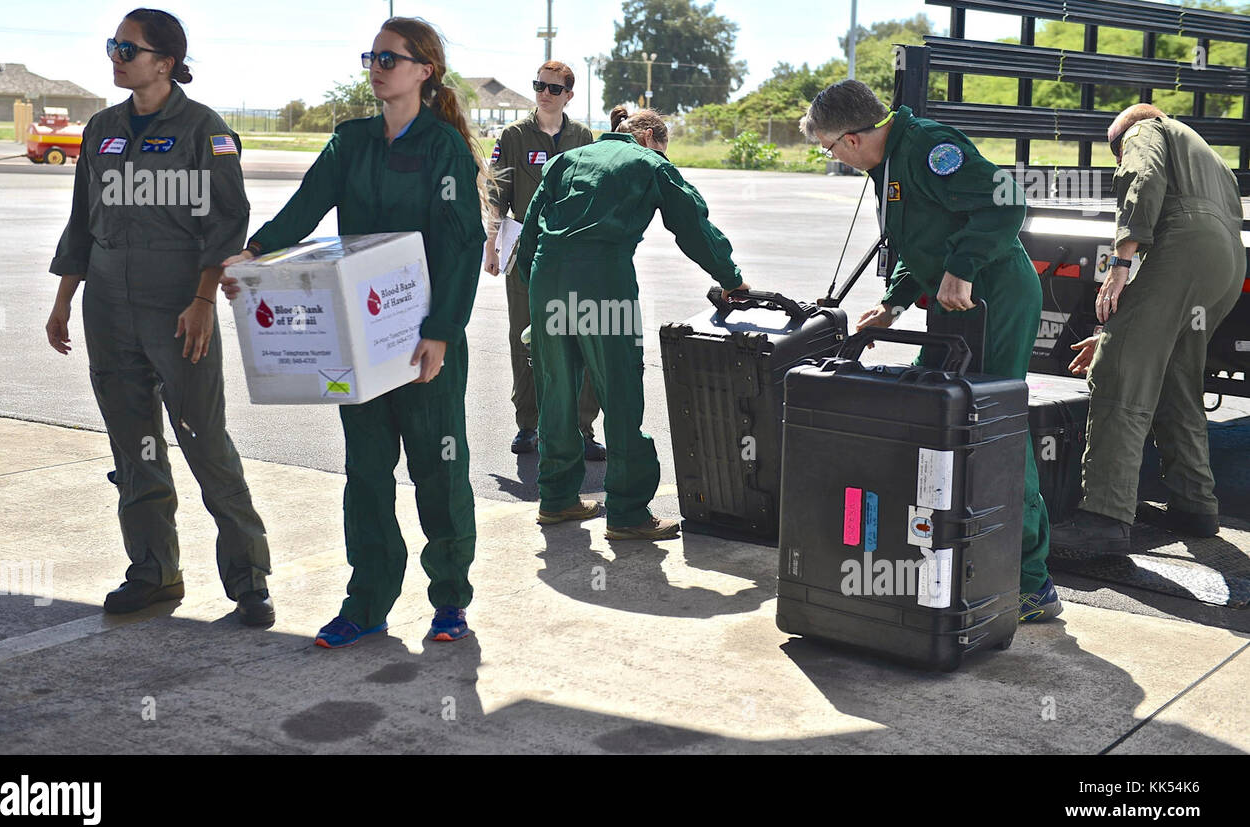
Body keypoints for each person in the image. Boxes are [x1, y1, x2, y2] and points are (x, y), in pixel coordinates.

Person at [220, 17, 486, 648]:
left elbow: (462, 242)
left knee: (438, 470)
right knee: (366, 472)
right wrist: (253, 255)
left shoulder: (443, 147)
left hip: (425, 338)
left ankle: (449, 600)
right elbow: (307, 206)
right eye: (371, 57)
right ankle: (367, 602)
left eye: (390, 58)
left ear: (425, 71)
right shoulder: (350, 141)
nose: (377, 67)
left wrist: (442, 331)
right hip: (360, 340)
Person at [800, 79, 1060, 623]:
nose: (836, 160)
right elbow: (918, 239)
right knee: (936, 410)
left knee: (995, 423)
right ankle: (952, 550)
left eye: (829, 150)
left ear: (850, 140)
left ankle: (1032, 583)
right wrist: (893, 304)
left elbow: (1007, 202)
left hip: (994, 293)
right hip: (953, 301)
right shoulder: (888, 164)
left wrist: (962, 268)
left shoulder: (927, 149)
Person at [46, 8, 274, 625]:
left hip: (177, 304)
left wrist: (202, 301)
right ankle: (153, 572)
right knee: (132, 443)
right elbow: (82, 221)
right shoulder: (101, 129)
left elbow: (225, 224)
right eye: (114, 44)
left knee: (203, 436)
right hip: (108, 305)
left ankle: (249, 578)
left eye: (130, 47)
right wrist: (66, 296)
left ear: (165, 63)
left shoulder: (205, 131)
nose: (117, 55)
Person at [518, 105, 748, 539]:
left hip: (547, 279)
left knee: (556, 390)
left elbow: (529, 237)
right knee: (620, 390)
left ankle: (557, 500)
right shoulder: (649, 162)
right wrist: (730, 278)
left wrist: (539, 299)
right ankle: (626, 514)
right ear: (650, 138)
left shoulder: (563, 160)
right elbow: (692, 225)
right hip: (603, 280)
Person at [1056, 105, 1246, 553]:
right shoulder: (1209, 157)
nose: (1118, 160)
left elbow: (1142, 179)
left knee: (1120, 369)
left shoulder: (1144, 130)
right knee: (1177, 377)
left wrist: (1121, 262)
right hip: (1227, 264)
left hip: (1186, 245)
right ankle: (1194, 505)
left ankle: (1103, 515)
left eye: (1114, 152)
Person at [487, 61, 606, 461]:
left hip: (571, 248)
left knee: (580, 335)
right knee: (524, 334)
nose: (544, 93)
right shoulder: (515, 135)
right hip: (525, 245)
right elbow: (496, 193)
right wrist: (490, 245)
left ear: (569, 95)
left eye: (554, 88)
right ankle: (528, 425)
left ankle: (582, 428)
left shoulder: (582, 136)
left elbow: (591, 191)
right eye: (539, 85)